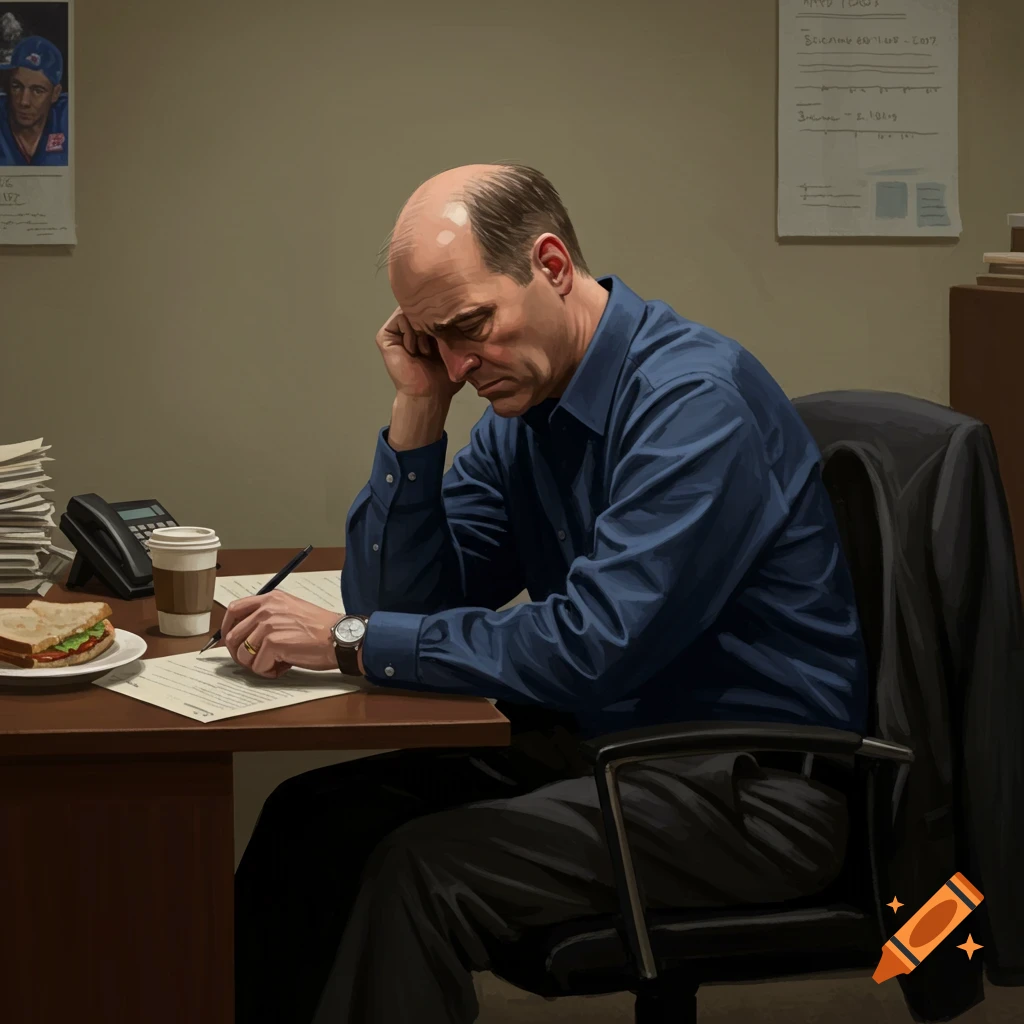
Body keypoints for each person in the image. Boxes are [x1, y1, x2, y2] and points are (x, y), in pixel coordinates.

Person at [222, 163, 869, 1024]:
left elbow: (591, 645)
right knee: (312, 821)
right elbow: (401, 605)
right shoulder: (520, 410)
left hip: (744, 792)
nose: (459, 362)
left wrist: (348, 641)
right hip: (609, 750)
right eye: (432, 340)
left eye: (470, 326)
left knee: (421, 870)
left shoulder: (690, 403)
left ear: (553, 265)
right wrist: (417, 412)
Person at [0, 35, 69, 166]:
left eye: (37, 91)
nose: (24, 102)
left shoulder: (68, 117)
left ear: (55, 93)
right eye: (17, 87)